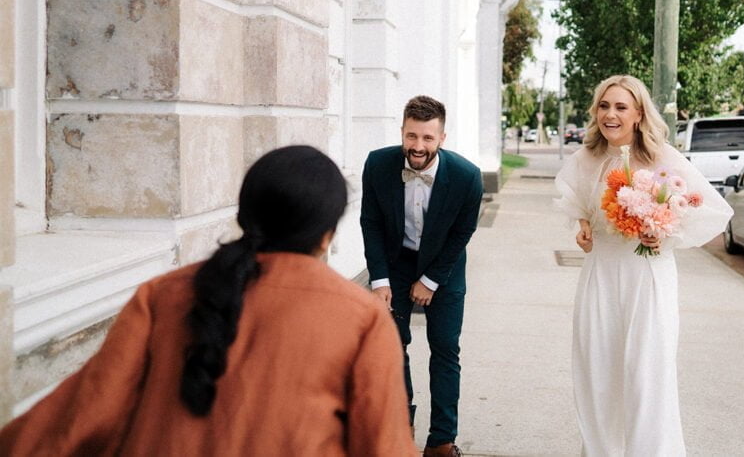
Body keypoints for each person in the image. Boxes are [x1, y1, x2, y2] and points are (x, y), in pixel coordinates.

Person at [0, 145, 415, 456]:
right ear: (328, 234)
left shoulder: (162, 295)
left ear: (244, 218)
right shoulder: (361, 319)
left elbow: (79, 417)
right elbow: (383, 445)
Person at [555, 75, 733, 456]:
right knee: (598, 373)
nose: (610, 115)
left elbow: (710, 209)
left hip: (647, 277)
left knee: (646, 376)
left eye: (620, 107)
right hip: (601, 275)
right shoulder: (586, 158)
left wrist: (664, 233)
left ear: (638, 114)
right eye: (604, 106)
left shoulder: (662, 159)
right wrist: (582, 225)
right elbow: (576, 203)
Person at [361, 95, 484, 457]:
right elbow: (370, 222)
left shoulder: (467, 177)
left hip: (443, 268)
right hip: (396, 264)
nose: (418, 146)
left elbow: (462, 234)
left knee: (445, 348)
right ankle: (401, 427)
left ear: (442, 138)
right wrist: (379, 280)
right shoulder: (378, 163)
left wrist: (430, 280)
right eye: (412, 136)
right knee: (391, 345)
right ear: (402, 131)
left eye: (428, 138)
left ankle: (442, 441)